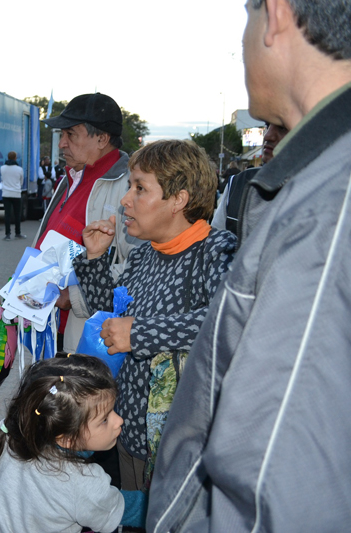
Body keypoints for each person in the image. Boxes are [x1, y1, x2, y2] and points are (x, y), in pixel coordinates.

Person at [147, 1, 351, 530]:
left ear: (278, 15)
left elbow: (269, 482)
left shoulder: (329, 209)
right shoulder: (317, 179)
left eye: (247, 14)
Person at [73, 140, 236, 490]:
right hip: (131, 436)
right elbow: (113, 321)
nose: (125, 199)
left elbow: (230, 319)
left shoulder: (216, 251)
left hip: (182, 444)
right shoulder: (144, 255)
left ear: (179, 199)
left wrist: (141, 333)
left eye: (140, 188)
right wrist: (95, 260)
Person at [0, 355, 147, 532]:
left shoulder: (10, 434)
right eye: (105, 419)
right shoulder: (83, 482)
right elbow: (129, 510)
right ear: (67, 438)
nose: (119, 421)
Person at [36, 93, 142, 354]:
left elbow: (138, 267)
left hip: (86, 333)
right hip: (48, 324)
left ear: (102, 138)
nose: (62, 144)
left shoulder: (128, 186)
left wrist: (73, 296)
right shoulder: (70, 177)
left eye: (70, 134)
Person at [212, 123, 289, 234]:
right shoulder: (239, 184)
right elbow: (217, 241)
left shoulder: (317, 193)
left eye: (282, 128)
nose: (267, 135)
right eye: (267, 126)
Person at [0, 151, 26, 240]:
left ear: (8, 157)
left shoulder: (2, 168)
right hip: (16, 193)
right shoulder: (19, 169)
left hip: (6, 193)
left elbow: (2, 179)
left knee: (7, 214)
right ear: (15, 158)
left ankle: (7, 234)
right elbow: (21, 182)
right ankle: (17, 233)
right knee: (17, 214)